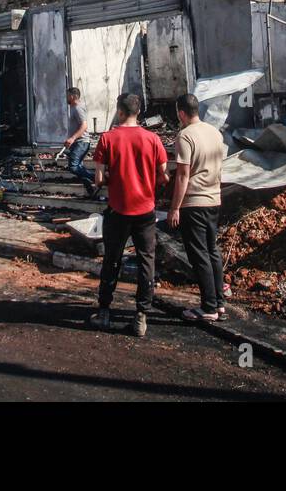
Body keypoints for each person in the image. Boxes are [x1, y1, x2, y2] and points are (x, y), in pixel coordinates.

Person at [89, 93, 167, 338]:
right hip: (145, 210)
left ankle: (104, 311)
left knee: (112, 259)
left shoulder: (107, 139)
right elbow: (164, 175)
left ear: (120, 112)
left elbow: (99, 179)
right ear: (139, 112)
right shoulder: (153, 139)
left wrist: (115, 177)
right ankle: (141, 316)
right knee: (147, 261)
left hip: (118, 209)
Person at [168, 93, 227, 322]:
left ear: (181, 112)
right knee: (212, 251)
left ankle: (208, 307)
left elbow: (183, 175)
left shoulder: (185, 136)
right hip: (214, 199)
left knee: (199, 254)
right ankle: (219, 303)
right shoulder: (214, 132)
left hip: (194, 201)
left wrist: (175, 208)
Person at [60, 88, 95, 197]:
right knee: (78, 167)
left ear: (73, 96)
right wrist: (70, 139)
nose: (66, 97)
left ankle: (96, 178)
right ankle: (90, 188)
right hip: (78, 143)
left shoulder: (78, 108)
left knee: (73, 166)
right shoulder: (74, 108)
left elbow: (84, 126)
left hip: (82, 142)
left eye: (67, 95)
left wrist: (72, 138)